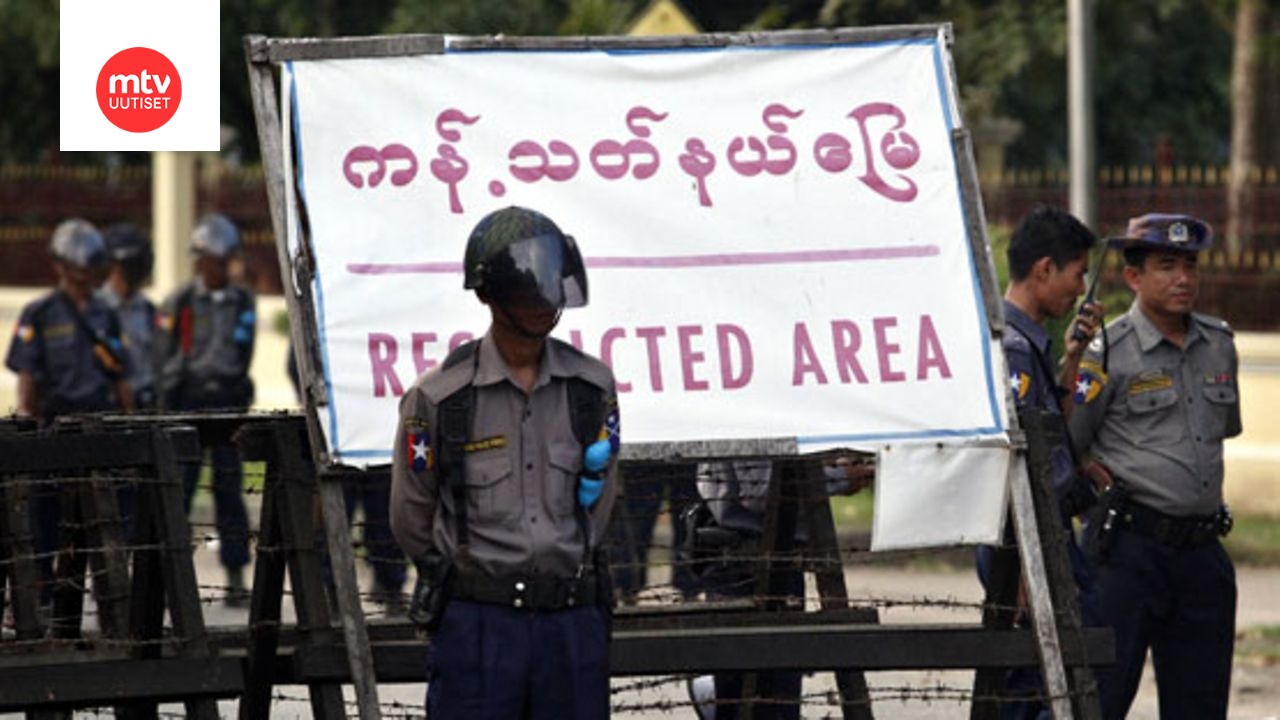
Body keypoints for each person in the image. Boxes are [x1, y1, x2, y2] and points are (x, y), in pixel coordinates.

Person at [390, 206, 620, 720]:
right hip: (479, 626)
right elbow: (411, 518)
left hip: (570, 621)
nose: (542, 302)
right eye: (525, 288)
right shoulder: (442, 399)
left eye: (547, 283)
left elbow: (599, 502)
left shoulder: (591, 389)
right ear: (488, 295)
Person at [1068, 213, 1240, 720]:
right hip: (1128, 554)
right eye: (1167, 265)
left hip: (1202, 555)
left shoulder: (1219, 345)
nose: (1183, 278)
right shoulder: (1107, 351)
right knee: (1102, 700)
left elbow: (1220, 432)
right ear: (1134, 277)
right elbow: (1070, 444)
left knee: (1200, 705)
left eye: (1190, 265)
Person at [978, 206, 1103, 718]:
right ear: (1044, 268)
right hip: (1025, 546)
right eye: (1078, 275)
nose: (1080, 290)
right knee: (1032, 686)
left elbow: (1048, 429)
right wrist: (1027, 572)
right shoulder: (1013, 350)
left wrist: (1072, 357)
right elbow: (1010, 463)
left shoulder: (1032, 346)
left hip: (1039, 541)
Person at [5, 218, 133, 605]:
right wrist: (30, 424)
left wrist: (129, 426)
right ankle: (39, 598)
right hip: (53, 426)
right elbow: (27, 375)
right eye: (76, 268)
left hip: (96, 427)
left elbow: (118, 373)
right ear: (59, 266)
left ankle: (107, 597)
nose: (82, 276)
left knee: (101, 518)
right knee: (45, 519)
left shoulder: (105, 315)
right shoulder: (38, 314)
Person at [686, 456, 872, 720]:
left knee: (769, 692)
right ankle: (714, 694)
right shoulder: (752, 415)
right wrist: (837, 477)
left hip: (763, 560)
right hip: (751, 562)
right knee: (763, 695)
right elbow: (761, 490)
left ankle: (714, 694)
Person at [157, 213, 256, 606]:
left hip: (228, 402)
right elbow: (164, 356)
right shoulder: (180, 301)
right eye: (220, 259)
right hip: (189, 403)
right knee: (180, 489)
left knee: (230, 488)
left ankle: (235, 575)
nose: (227, 267)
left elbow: (243, 349)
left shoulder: (242, 300)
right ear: (201, 259)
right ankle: (171, 577)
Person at [98, 222, 158, 409]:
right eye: (131, 267)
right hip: (107, 407)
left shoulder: (149, 311)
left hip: (145, 405)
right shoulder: (95, 310)